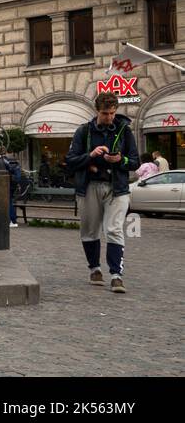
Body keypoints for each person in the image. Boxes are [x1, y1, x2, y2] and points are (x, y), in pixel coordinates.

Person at [63, 92, 139, 294]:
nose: (110, 117)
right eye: (106, 113)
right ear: (97, 111)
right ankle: (94, 269)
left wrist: (120, 161)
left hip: (117, 188)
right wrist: (91, 156)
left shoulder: (124, 131)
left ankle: (116, 275)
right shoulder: (84, 131)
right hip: (89, 186)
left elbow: (135, 162)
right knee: (89, 230)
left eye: (113, 113)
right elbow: (70, 160)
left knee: (114, 229)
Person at [3, 155, 23, 226]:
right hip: (12, 186)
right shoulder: (16, 165)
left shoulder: (5, 163)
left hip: (7, 186)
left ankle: (11, 220)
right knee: (10, 202)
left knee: (8, 203)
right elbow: (18, 178)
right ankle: (13, 220)